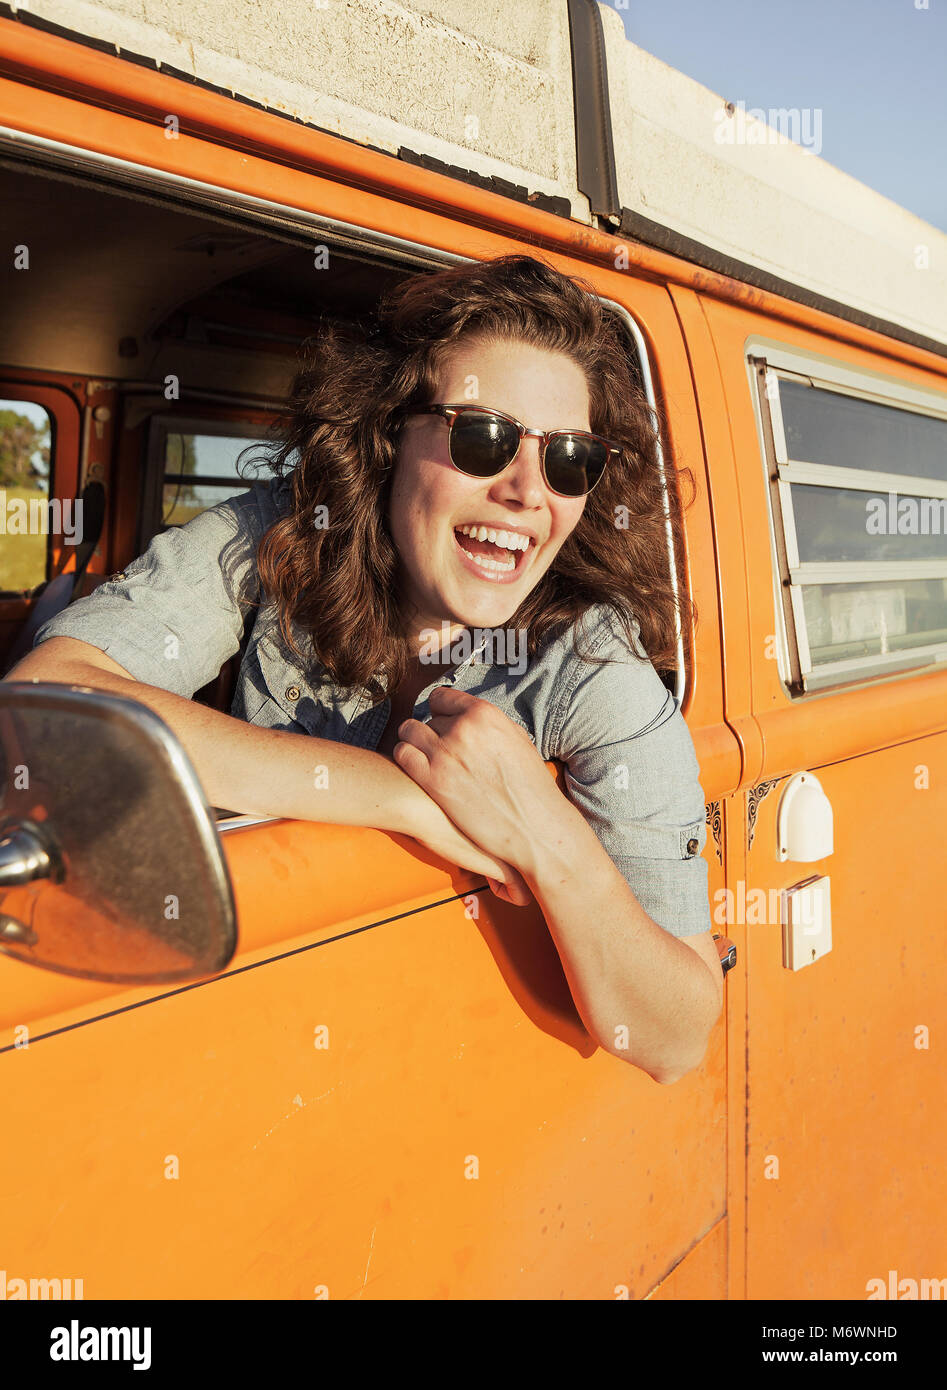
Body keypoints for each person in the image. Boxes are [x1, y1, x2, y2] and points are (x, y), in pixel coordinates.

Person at [6, 253, 721, 1082]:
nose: (530, 491)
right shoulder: (276, 537)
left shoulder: (593, 664)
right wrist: (399, 797)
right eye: (482, 438)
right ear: (386, 439)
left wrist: (547, 834)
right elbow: (45, 695)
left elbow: (671, 1039)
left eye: (569, 460)